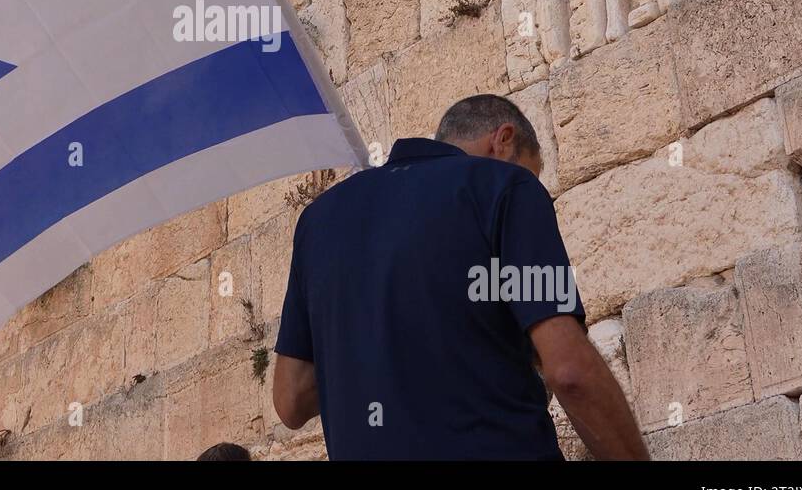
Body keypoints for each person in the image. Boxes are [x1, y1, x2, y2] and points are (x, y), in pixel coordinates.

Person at [271, 94, 648, 460]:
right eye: (532, 172)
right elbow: (569, 372)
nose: (534, 185)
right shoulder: (506, 186)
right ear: (503, 141)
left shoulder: (318, 221)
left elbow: (291, 400)